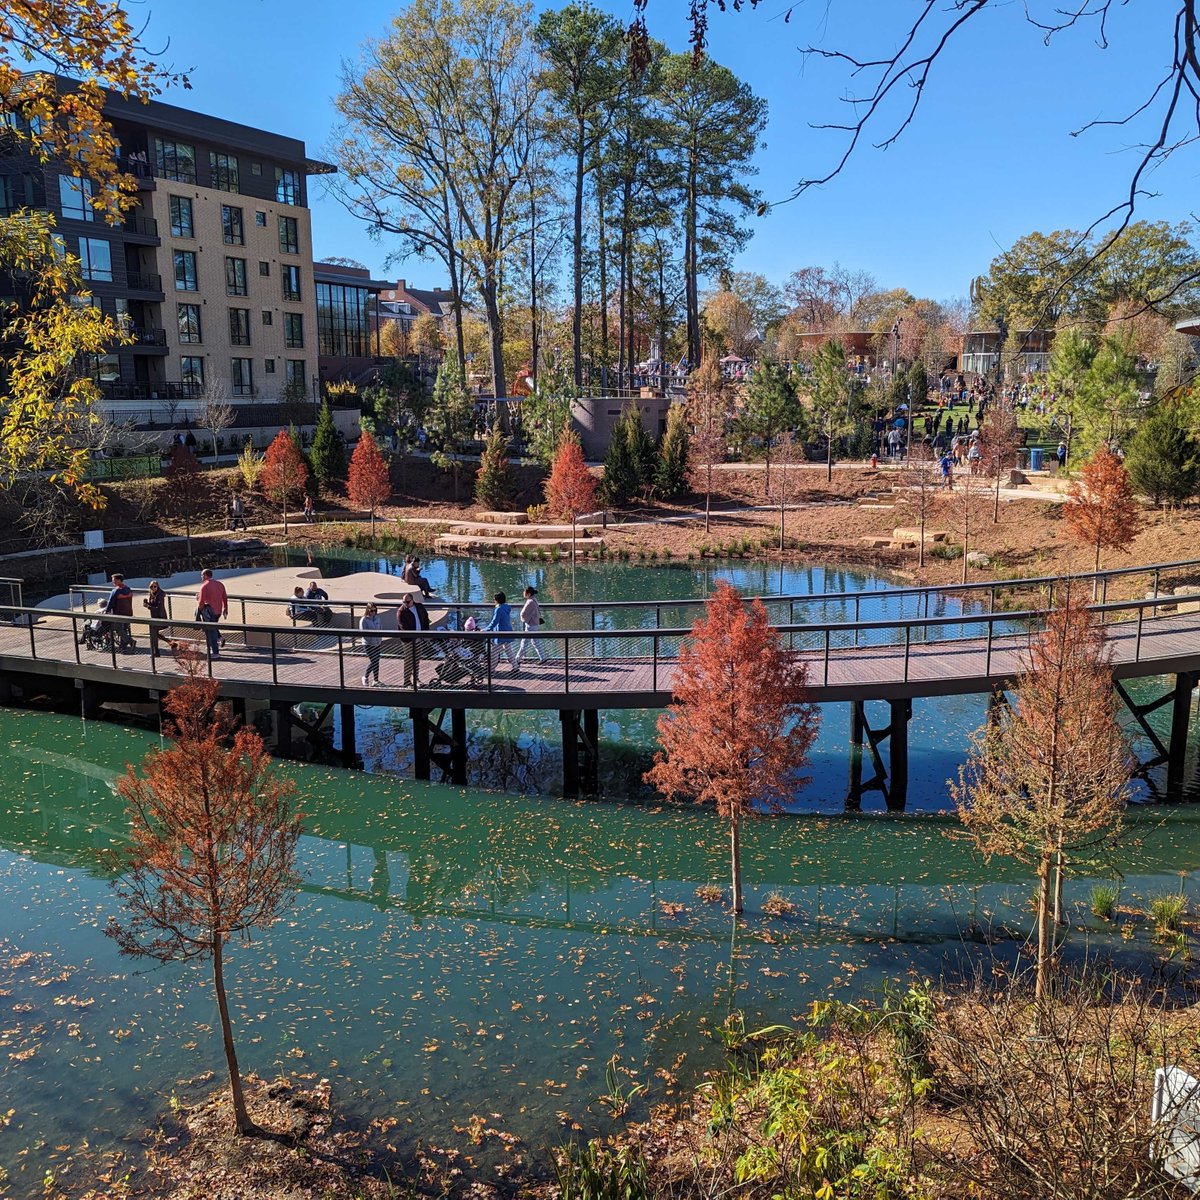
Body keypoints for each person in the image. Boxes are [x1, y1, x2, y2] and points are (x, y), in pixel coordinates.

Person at [395, 593, 428, 686]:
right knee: (409, 660)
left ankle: (416, 679)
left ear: (412, 600)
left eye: (407, 602)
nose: (405, 603)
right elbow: (403, 626)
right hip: (408, 640)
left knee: (417, 660)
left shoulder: (419, 607)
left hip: (419, 638)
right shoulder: (401, 611)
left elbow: (425, 618)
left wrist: (425, 633)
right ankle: (406, 681)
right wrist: (412, 636)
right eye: (404, 602)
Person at [195, 568, 228, 658]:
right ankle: (216, 641)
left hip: (209, 611)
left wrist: (200, 609)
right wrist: (225, 608)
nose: (201, 577)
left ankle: (215, 652)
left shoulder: (204, 585)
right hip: (218, 611)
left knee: (211, 631)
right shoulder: (220, 584)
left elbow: (201, 601)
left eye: (202, 575)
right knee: (213, 628)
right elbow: (224, 597)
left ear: (205, 575)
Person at [484, 590, 518, 673]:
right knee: (508, 649)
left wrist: (485, 629)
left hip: (500, 633)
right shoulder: (507, 607)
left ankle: (491, 669)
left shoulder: (498, 609)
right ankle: (515, 666)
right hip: (507, 631)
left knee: (494, 652)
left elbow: (494, 622)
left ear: (496, 600)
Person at [103, 572, 135, 651]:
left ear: (119, 580)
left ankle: (131, 641)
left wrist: (106, 611)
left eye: (114, 580)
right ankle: (123, 646)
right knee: (124, 628)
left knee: (118, 628)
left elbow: (111, 602)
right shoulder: (128, 589)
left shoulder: (115, 591)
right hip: (128, 612)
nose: (113, 582)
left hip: (119, 613)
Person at [516, 585, 545, 665]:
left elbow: (524, 614)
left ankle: (517, 659)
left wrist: (522, 618)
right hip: (535, 623)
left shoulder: (530, 602)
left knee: (525, 642)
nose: (523, 593)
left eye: (524, 592)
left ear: (528, 594)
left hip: (531, 625)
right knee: (535, 641)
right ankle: (542, 657)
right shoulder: (534, 600)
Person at [360, 603, 383, 687]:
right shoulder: (364, 620)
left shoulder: (377, 618)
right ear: (368, 610)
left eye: (375, 610)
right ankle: (365, 677)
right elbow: (364, 634)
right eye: (371, 610)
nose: (373, 612)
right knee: (374, 661)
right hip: (368, 644)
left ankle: (376, 680)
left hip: (377, 643)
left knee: (377, 661)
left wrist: (379, 639)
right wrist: (372, 640)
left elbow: (380, 628)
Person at [143, 580, 167, 657]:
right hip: (154, 618)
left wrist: (148, 606)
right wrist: (147, 603)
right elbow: (153, 604)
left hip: (160, 617)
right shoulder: (152, 594)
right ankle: (170, 643)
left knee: (153, 633)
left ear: (158, 586)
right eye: (151, 586)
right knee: (154, 633)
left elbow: (158, 608)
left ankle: (155, 652)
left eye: (155, 586)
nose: (153, 588)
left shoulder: (160, 595)